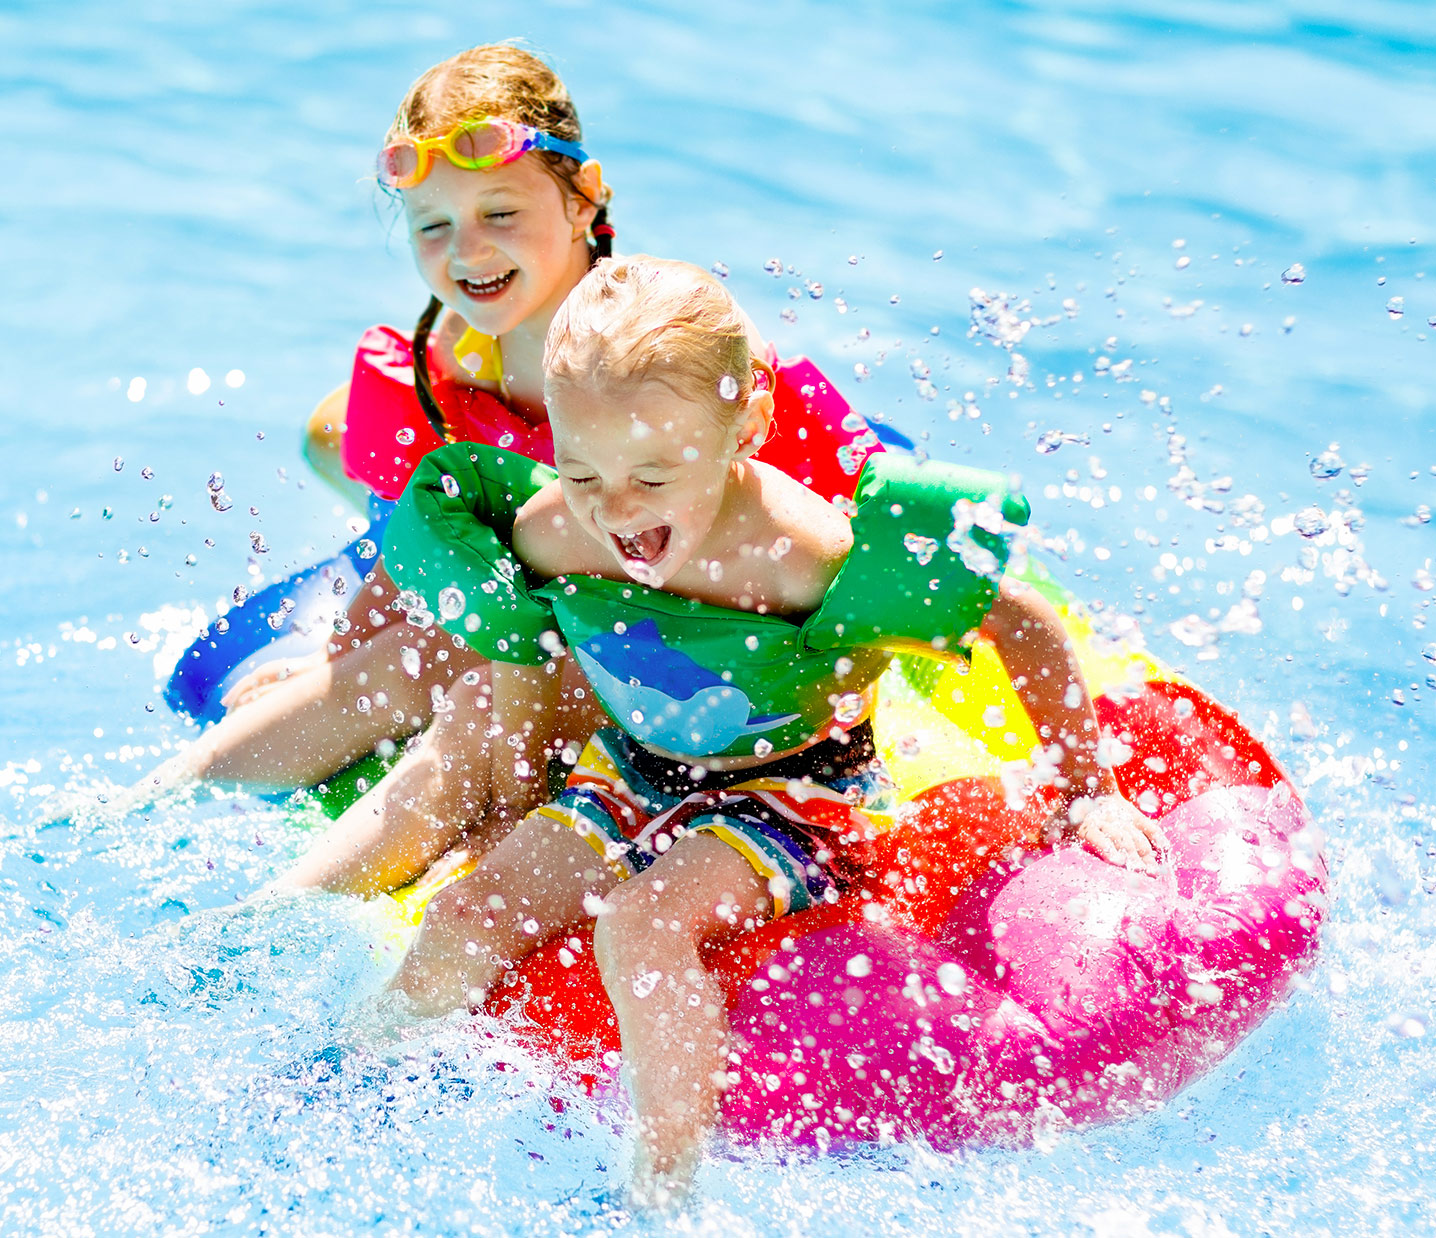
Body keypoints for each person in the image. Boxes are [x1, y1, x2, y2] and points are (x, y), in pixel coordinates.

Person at [374, 256, 1163, 1207]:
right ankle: (358, 1079)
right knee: (467, 912)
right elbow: (533, 651)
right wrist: (521, 791)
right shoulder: (554, 529)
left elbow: (1019, 620)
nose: (616, 510)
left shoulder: (800, 552)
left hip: (794, 790)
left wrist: (1088, 790)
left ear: (744, 427)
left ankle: (660, 1190)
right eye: (582, 468)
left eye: (652, 474)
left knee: (643, 926)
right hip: (628, 767)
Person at [70, 46, 888, 879]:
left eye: (500, 213)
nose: (468, 250)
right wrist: (332, 654)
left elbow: (865, 508)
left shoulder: (675, 361)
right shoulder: (433, 381)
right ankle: (140, 806)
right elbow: (426, 548)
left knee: (449, 665)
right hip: (541, 598)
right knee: (401, 622)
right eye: (433, 225)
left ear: (585, 198)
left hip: (674, 641)